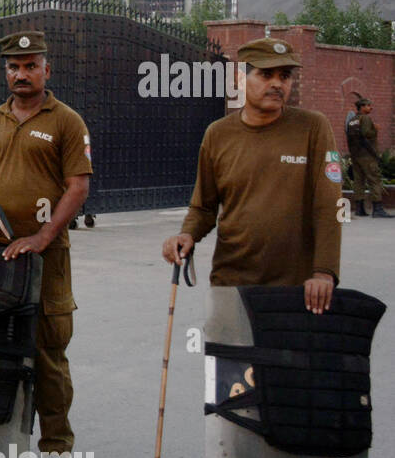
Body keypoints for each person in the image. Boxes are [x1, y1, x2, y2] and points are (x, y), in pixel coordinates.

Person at [0, 31, 92, 458]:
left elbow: (78, 186)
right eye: (14, 66)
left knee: (48, 351)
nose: (22, 74)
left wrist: (43, 236)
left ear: (47, 70)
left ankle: (56, 447)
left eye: (31, 65)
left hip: (46, 256)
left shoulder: (66, 120)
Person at [162, 37, 342, 313]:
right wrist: (187, 235)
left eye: (285, 76)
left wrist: (324, 272)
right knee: (230, 357)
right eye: (266, 74)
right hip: (230, 284)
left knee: (284, 358)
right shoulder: (218, 134)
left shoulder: (312, 128)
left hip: (296, 289)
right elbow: (204, 206)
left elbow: (330, 206)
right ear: (241, 78)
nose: (277, 84)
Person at [346, 97, 390, 218]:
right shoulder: (365, 118)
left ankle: (360, 208)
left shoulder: (352, 120)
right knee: (374, 180)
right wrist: (375, 130)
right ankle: (378, 209)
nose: (371, 107)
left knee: (359, 181)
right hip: (367, 155)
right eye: (368, 105)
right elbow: (366, 133)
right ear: (362, 107)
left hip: (356, 155)